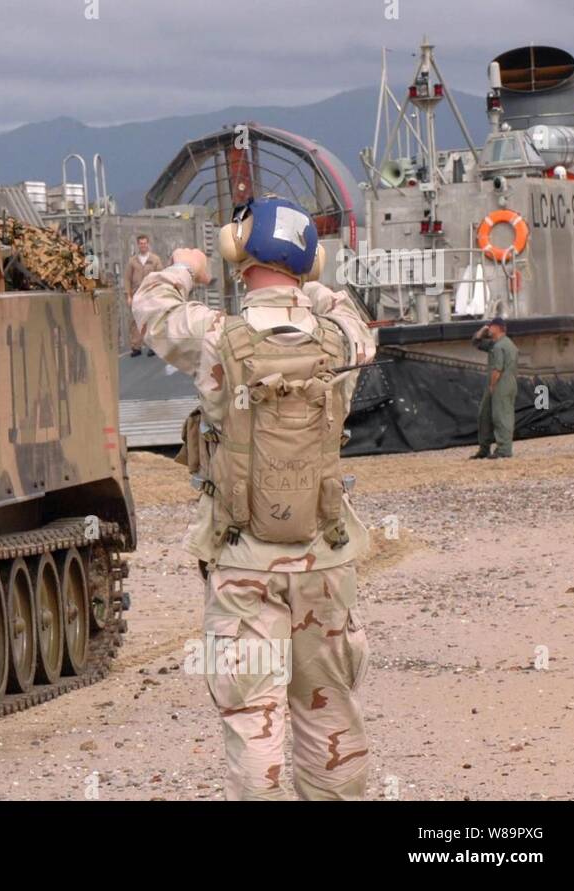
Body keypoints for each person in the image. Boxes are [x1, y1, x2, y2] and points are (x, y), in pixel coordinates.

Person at [133, 196, 377, 800]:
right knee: (330, 711)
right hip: (324, 556)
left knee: (253, 718)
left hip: (243, 560)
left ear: (237, 251)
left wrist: (187, 266)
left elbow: (151, 308)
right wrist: (307, 287)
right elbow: (347, 310)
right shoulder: (344, 340)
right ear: (311, 262)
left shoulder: (216, 336)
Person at [470, 317, 518, 459]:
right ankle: (484, 448)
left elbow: (498, 369)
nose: (488, 328)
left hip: (500, 383)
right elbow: (476, 343)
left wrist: (492, 385)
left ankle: (504, 449)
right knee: (484, 415)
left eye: (490, 326)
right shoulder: (498, 344)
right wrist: (482, 332)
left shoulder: (499, 346)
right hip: (500, 384)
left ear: (497, 328)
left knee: (501, 416)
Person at [124, 234, 164, 356]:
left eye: (145, 243)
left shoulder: (155, 260)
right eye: (141, 243)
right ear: (138, 245)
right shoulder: (132, 261)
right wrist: (129, 295)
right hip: (137, 295)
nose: (143, 245)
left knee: (152, 320)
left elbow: (160, 276)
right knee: (136, 321)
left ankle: (153, 346)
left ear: (148, 244)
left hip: (151, 294)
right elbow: (127, 279)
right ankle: (136, 346)